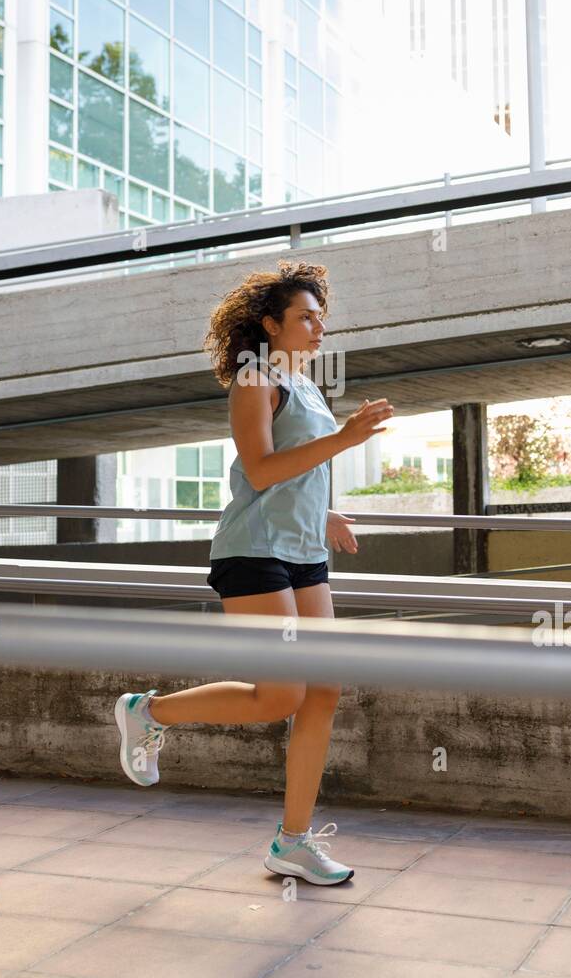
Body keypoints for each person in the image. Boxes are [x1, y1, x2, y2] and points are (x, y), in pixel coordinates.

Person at [114, 259, 393, 885]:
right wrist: (347, 439)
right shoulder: (254, 379)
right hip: (254, 551)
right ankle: (147, 711)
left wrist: (326, 512)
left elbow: (299, 471)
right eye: (305, 317)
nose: (320, 327)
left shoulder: (309, 385)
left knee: (323, 691)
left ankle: (292, 842)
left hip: (303, 552)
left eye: (322, 317)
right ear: (271, 324)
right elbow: (262, 470)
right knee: (281, 695)